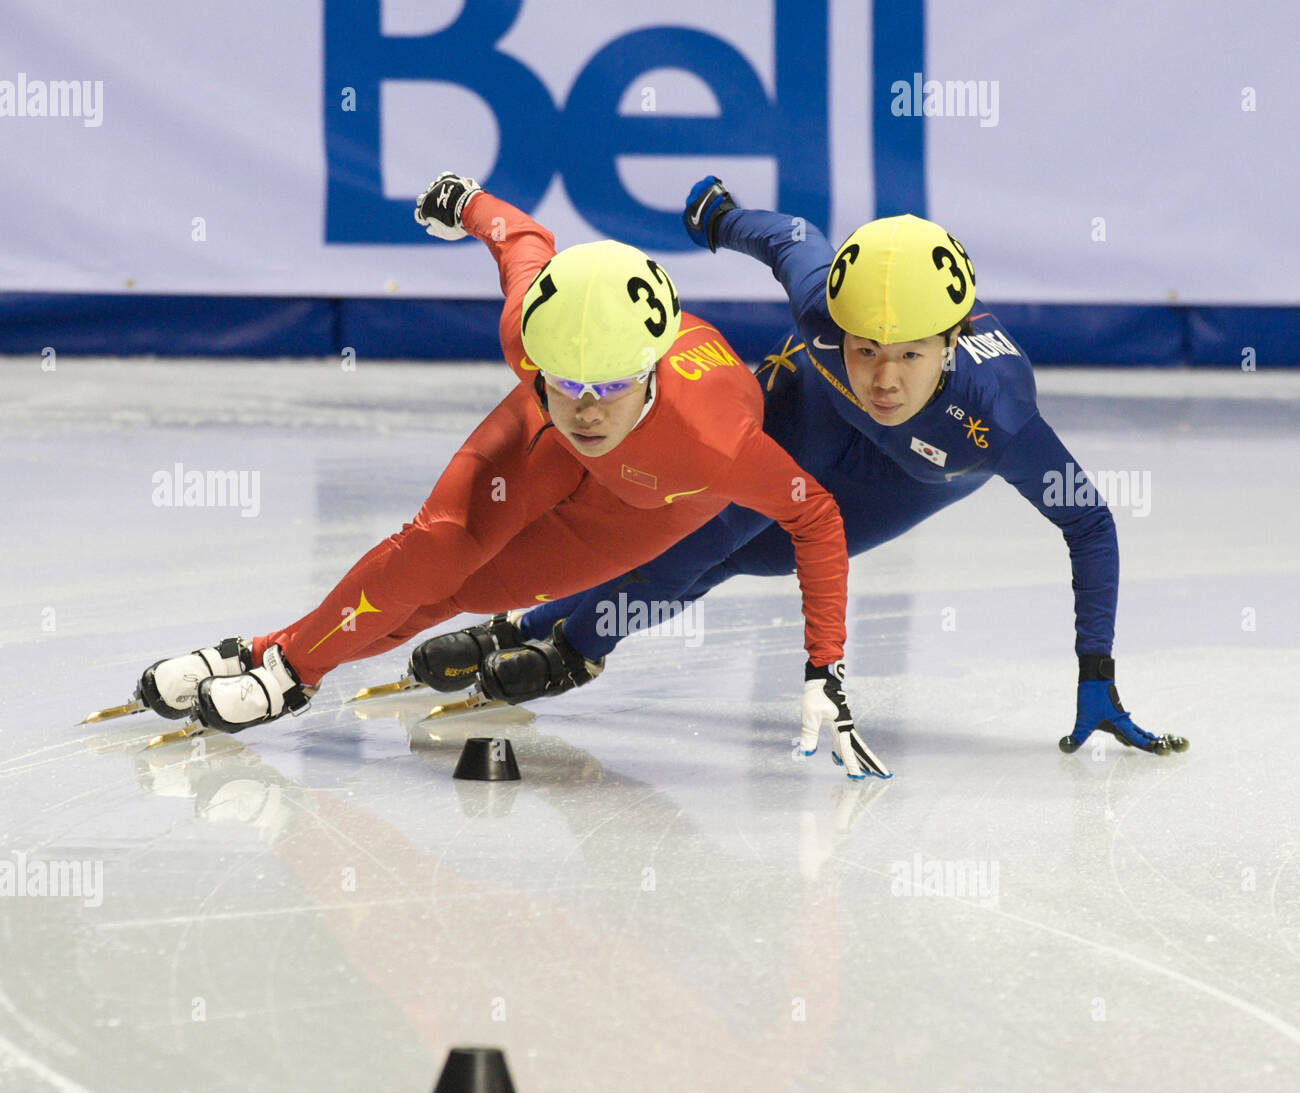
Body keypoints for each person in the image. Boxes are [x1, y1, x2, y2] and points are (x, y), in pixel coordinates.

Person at [128, 173, 885, 777]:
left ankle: (265, 650)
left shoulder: (717, 443)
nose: (588, 411)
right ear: (540, 361)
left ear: (650, 370)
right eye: (569, 383)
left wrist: (825, 666)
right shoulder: (532, 334)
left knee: (463, 592)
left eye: (610, 388)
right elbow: (522, 240)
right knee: (435, 549)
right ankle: (288, 669)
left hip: (649, 500)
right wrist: (465, 201)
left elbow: (815, 518)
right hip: (539, 438)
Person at [449, 176, 1186, 759]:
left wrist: (1098, 673)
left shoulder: (1000, 418)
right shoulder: (823, 316)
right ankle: (561, 641)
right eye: (866, 348)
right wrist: (720, 218)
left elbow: (1089, 523)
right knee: (713, 529)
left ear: (952, 344)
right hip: (815, 409)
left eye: (909, 356)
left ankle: (553, 634)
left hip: (913, 476)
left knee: (741, 558)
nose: (885, 379)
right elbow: (790, 239)